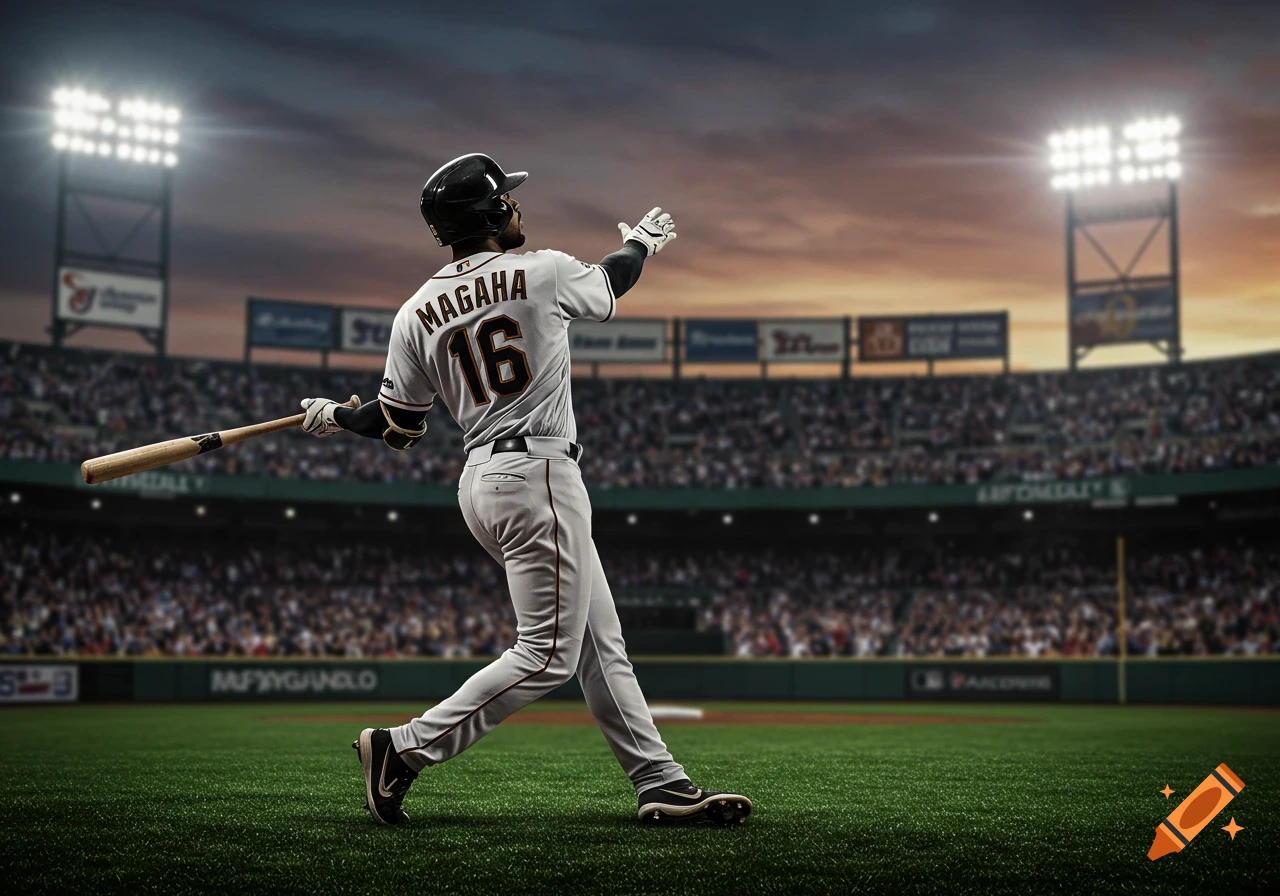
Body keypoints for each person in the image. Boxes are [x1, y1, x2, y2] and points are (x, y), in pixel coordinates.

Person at [300, 153, 751, 827]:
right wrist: (641, 243)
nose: (516, 207)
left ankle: (660, 782)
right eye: (505, 200)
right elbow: (610, 284)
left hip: (482, 484)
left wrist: (337, 416)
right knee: (546, 655)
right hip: (538, 473)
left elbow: (397, 427)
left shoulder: (415, 312)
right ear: (487, 214)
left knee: (602, 646)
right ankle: (403, 749)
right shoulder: (540, 268)